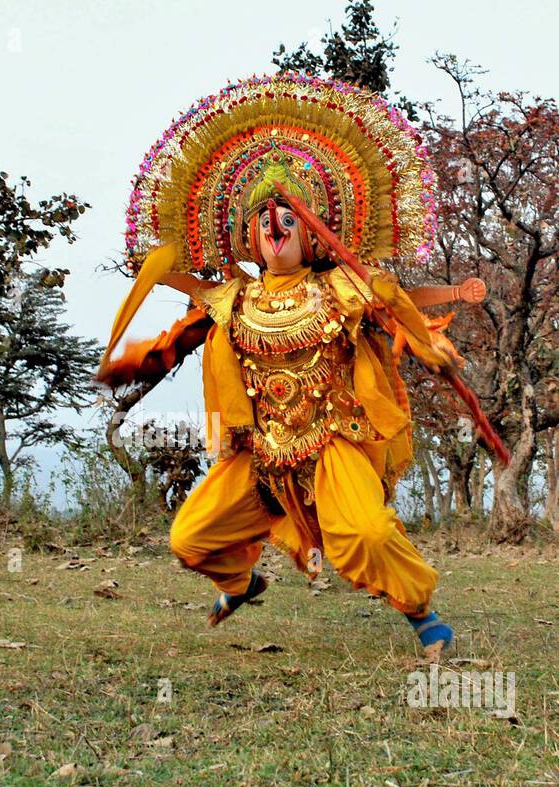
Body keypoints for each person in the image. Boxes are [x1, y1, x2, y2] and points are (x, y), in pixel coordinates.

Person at [97, 74, 486, 662]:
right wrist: (133, 365)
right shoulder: (232, 300)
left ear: (312, 231)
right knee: (190, 537)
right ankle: (241, 584)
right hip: (260, 457)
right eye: (263, 220)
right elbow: (175, 342)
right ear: (248, 237)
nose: (275, 228)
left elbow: (397, 312)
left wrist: (429, 341)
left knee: (369, 534)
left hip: (332, 443)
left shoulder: (344, 288)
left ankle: (421, 612)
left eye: (287, 217)